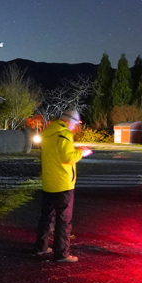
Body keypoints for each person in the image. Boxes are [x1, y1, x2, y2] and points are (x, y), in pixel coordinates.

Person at [35, 108, 93, 263]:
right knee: (64, 220)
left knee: (47, 216)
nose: (75, 127)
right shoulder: (65, 135)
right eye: (75, 123)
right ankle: (61, 253)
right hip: (63, 184)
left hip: (49, 181)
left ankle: (41, 247)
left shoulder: (48, 132)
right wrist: (81, 152)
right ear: (69, 121)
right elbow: (67, 157)